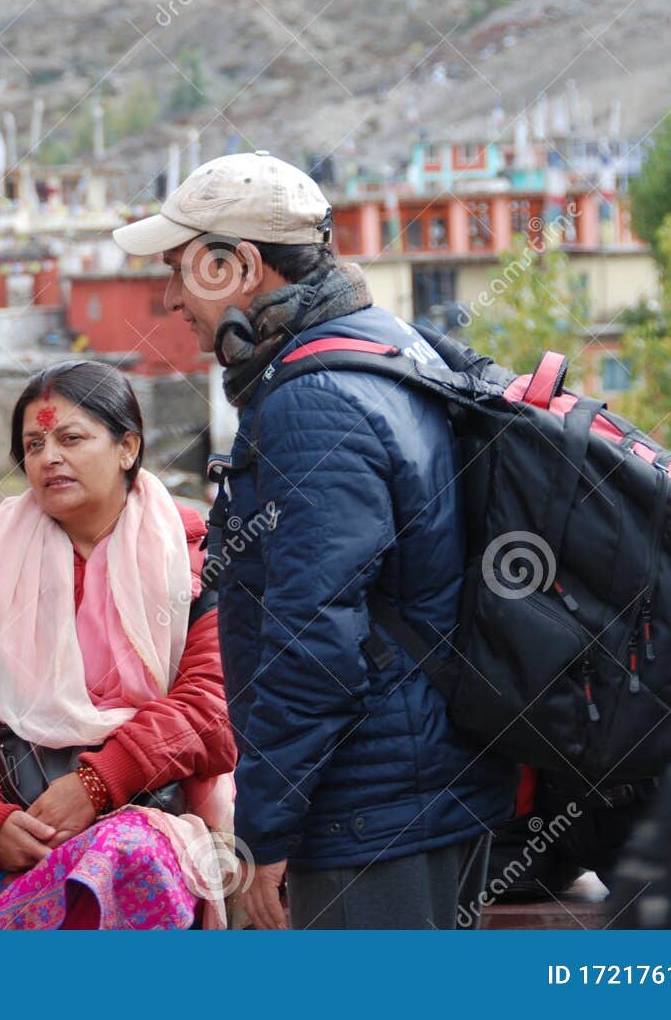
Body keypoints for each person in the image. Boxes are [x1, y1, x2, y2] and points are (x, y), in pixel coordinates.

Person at [113, 151, 516, 929]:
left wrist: (268, 829)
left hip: (370, 809)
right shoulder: (390, 347)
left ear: (241, 268)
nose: (169, 299)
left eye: (181, 270)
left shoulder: (312, 404)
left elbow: (314, 643)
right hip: (421, 789)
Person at [0, 360, 237, 929]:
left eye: (70, 438)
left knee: (127, 859)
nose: (48, 457)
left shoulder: (196, 553)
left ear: (127, 447)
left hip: (154, 806)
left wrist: (99, 782)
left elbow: (211, 703)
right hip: (25, 817)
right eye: (33, 443)